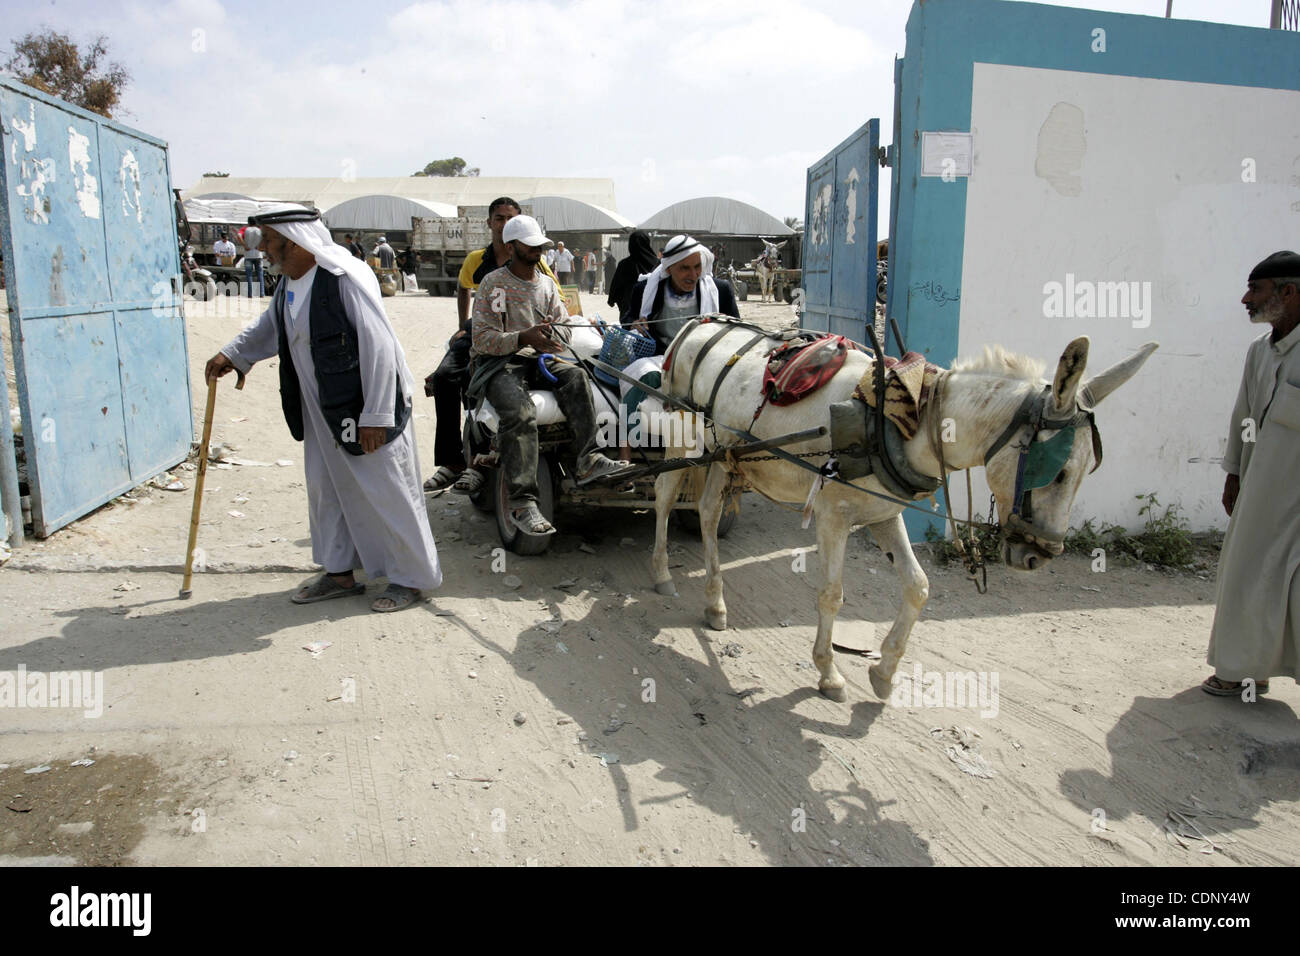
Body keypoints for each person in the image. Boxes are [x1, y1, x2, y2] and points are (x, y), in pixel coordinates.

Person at [204, 205, 440, 613]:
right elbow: (271, 326)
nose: (267, 252)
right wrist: (234, 354)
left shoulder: (342, 278)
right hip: (318, 404)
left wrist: (377, 415)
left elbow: (379, 347)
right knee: (326, 486)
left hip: (363, 403)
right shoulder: (289, 283)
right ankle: (339, 573)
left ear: (294, 241)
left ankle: (411, 578)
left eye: (272, 243)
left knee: (388, 488)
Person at [470, 215, 630, 535]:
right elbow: (481, 339)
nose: (536, 251)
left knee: (576, 378)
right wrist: (522, 337)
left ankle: (587, 460)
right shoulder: (492, 284)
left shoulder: (546, 284)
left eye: (539, 246)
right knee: (520, 410)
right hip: (500, 364)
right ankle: (522, 501)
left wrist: (553, 336)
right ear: (511, 246)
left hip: (540, 358)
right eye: (529, 246)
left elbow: (565, 328)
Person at [1204, 250, 1300, 697]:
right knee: (1245, 575)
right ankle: (1242, 670)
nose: (1246, 298)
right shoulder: (1258, 353)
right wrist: (1233, 473)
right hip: (1259, 495)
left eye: (1255, 289)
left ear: (1288, 292)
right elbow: (1243, 417)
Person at [423, 197, 562, 494]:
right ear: (490, 223)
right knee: (447, 377)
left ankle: (482, 460)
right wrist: (463, 326)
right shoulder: (477, 259)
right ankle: (454, 461)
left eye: (509, 218)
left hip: (523, 337)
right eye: (498, 218)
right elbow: (463, 289)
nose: (503, 224)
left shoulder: (537, 262)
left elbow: (557, 297)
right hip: (484, 331)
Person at [621, 234, 740, 353]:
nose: (693, 275)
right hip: (659, 358)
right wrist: (634, 323)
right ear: (668, 269)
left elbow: (738, 331)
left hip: (704, 358)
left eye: (697, 266)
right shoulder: (645, 290)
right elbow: (628, 318)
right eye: (685, 268)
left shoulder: (720, 290)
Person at [606, 229, 659, 318]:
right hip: (652, 308)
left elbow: (616, 285)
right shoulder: (657, 263)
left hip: (629, 309)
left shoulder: (624, 264)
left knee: (629, 331)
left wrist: (612, 299)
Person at [241, 223, 265, 296]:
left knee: (249, 275)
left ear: (249, 223)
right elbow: (265, 238)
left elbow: (238, 236)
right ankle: (261, 293)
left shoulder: (245, 229)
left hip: (248, 256)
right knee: (260, 275)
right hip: (258, 255)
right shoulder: (260, 230)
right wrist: (261, 247)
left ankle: (250, 294)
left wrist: (244, 245)